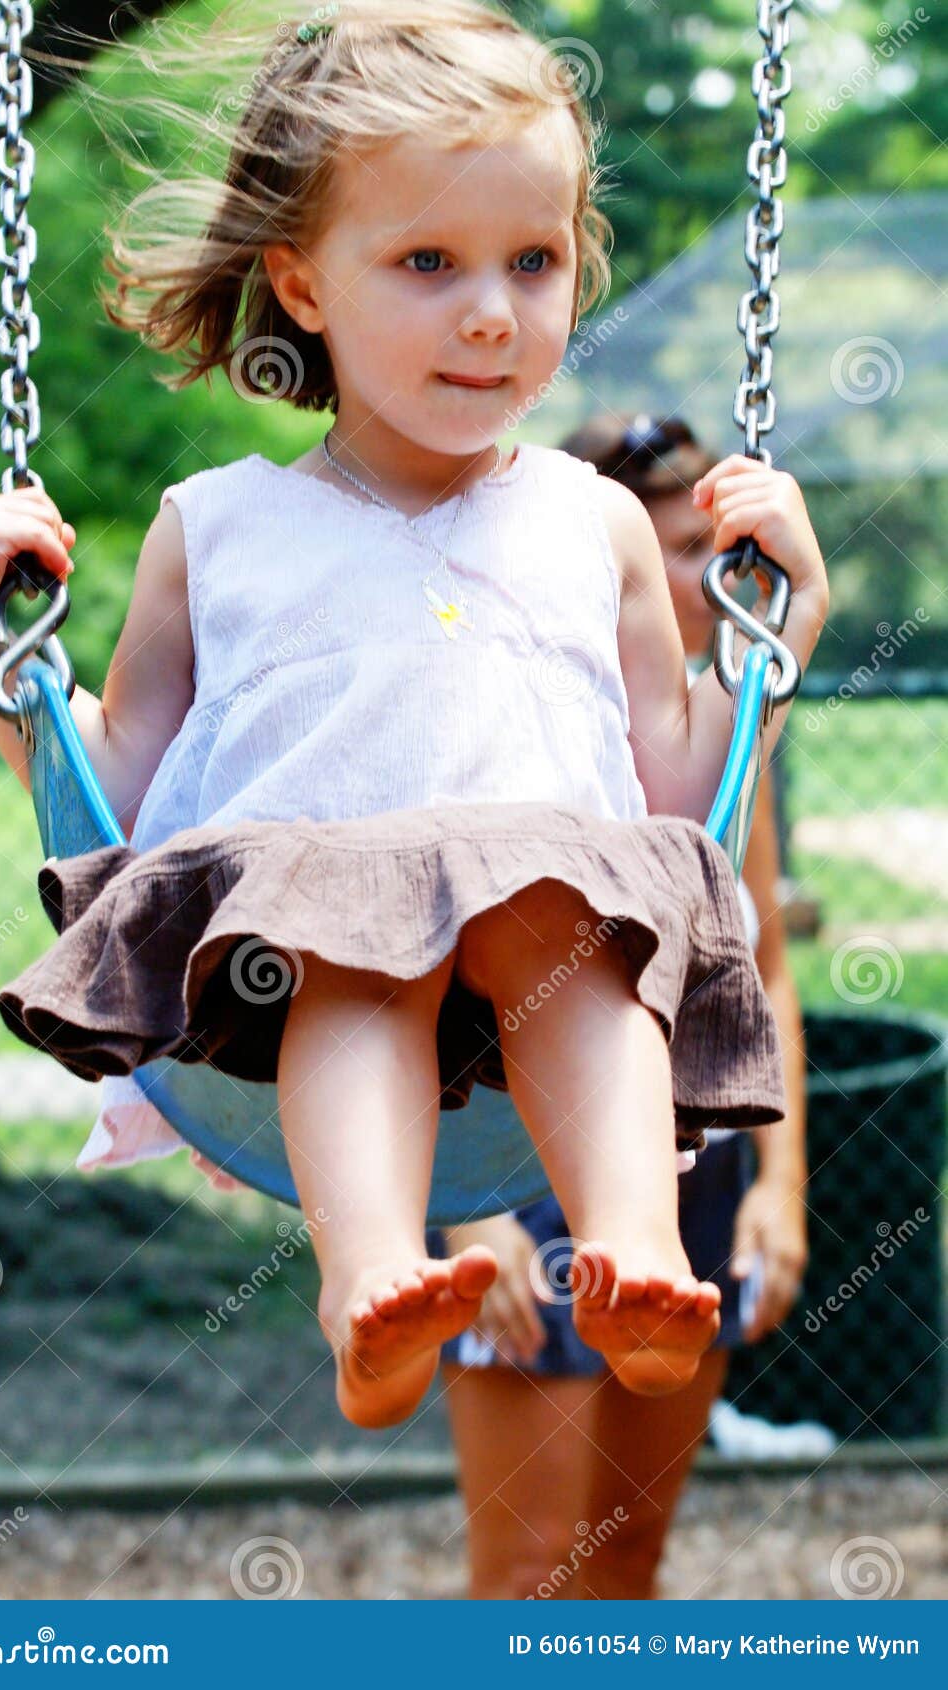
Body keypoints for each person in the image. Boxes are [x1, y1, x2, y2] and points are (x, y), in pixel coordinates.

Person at [0, 0, 828, 1433]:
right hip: (303, 960)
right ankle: (368, 1285)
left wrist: (774, 645)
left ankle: (635, 1251)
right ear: (299, 284)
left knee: (573, 915)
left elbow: (678, 788)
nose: (490, 309)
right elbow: (110, 788)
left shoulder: (592, 523)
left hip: (554, 935)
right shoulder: (213, 527)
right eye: (427, 262)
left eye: (531, 262)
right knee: (357, 949)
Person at [431, 414, 810, 1600]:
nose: (682, 582)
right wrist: (462, 1214)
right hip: (517, 1160)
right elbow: (417, 981)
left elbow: (763, 965)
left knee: (626, 1556)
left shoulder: (725, 739)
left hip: (690, 1168)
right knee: (534, 1566)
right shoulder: (499, 723)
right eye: (645, 552)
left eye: (695, 551)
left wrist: (781, 1187)